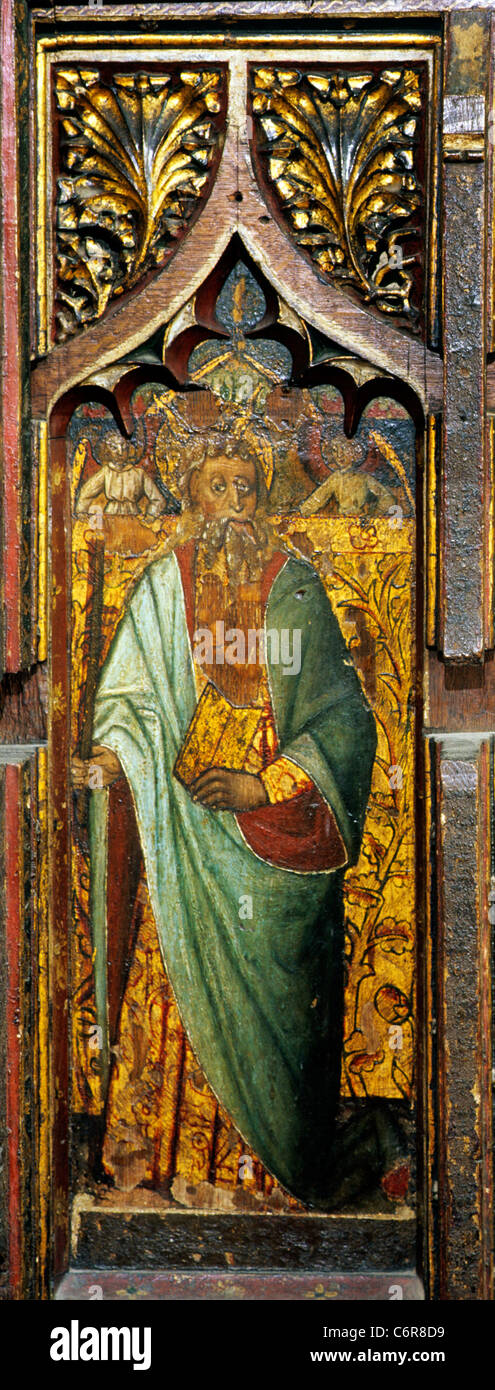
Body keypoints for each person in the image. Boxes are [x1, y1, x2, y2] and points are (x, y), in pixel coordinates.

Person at [72, 433, 379, 1207]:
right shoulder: (161, 589)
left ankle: (272, 1178)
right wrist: (112, 760)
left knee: (280, 1017)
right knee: (175, 988)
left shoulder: (296, 589)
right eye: (217, 487)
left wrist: (265, 784)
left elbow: (343, 720)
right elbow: (130, 702)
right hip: (183, 842)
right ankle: (168, 1170)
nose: (234, 506)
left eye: (247, 488)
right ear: (190, 495)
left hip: (275, 838)